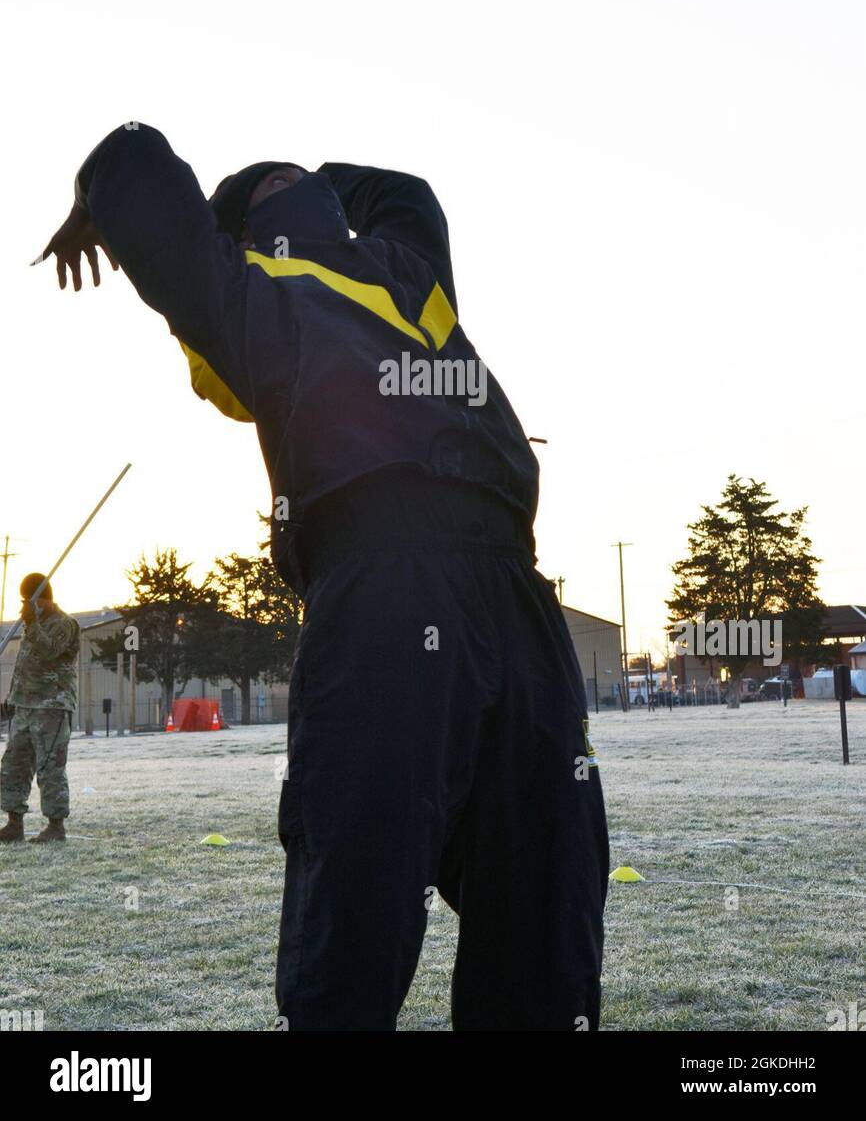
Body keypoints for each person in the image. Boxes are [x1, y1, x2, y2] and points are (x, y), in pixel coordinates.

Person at [39, 123, 609, 1030]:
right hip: (514, 599)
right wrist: (310, 180)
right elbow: (407, 189)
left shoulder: (244, 291)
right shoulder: (406, 274)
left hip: (386, 601)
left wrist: (92, 196)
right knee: (543, 898)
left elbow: (141, 165)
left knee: (357, 903)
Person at [0, 574, 79, 844]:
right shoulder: (30, 626)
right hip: (24, 706)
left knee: (50, 767)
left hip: (51, 707)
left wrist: (32, 623)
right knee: (14, 766)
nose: (26, 605)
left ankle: (55, 826)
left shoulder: (65, 625)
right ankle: (14, 823)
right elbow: (24, 667)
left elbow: (49, 652)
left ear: (42, 599)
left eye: (29, 600)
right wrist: (11, 701)